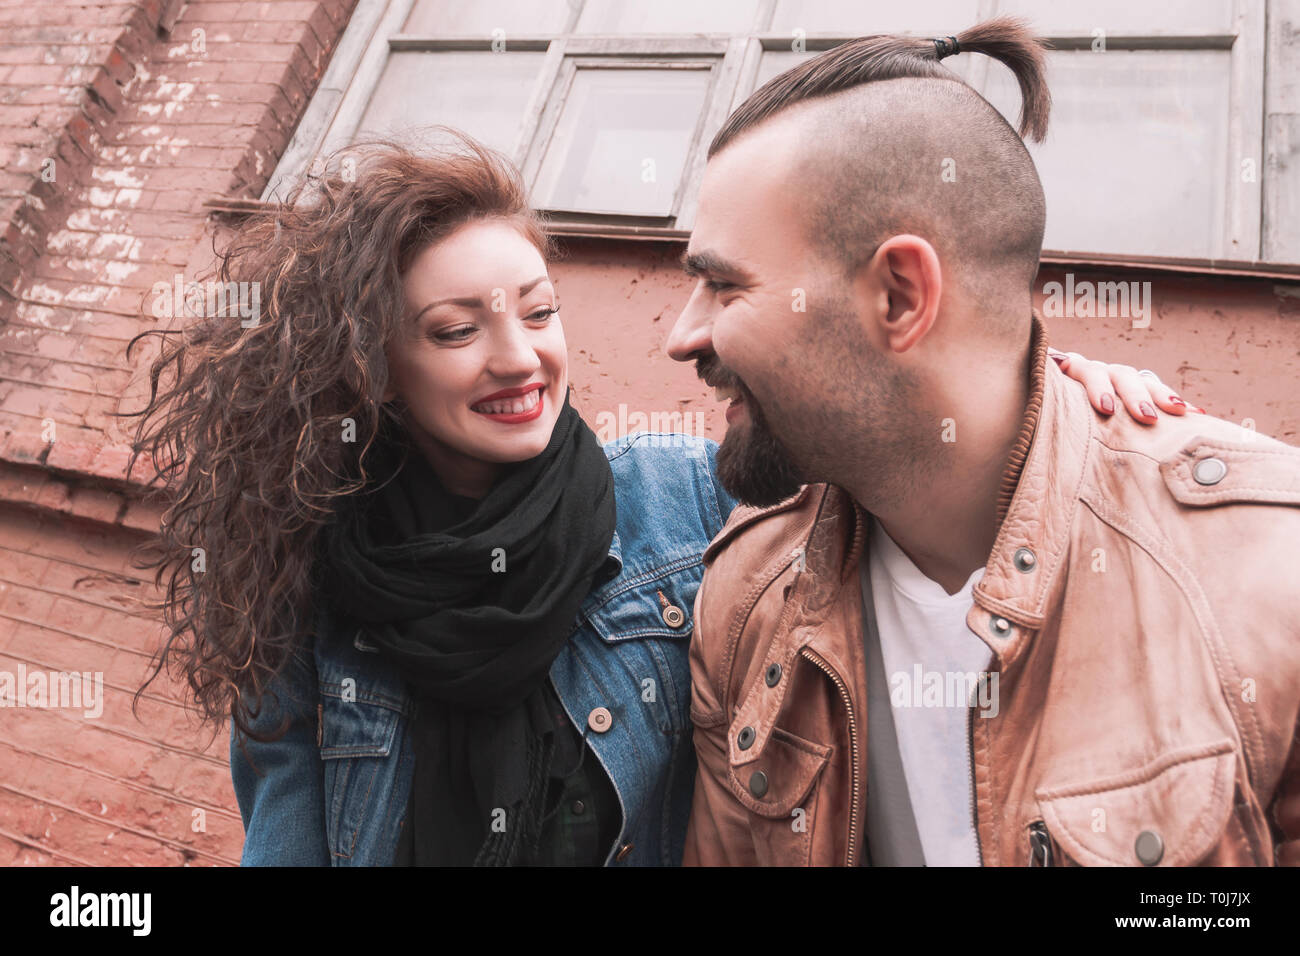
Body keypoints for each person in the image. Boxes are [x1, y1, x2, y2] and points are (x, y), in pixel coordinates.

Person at [126, 129, 1183, 867]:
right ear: (374, 373)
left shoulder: (682, 502)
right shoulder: (306, 594)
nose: (518, 357)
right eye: (455, 330)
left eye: (538, 311)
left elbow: (903, 470)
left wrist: (1026, 392)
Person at [667, 17, 1300, 866]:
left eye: (721, 285)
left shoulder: (1263, 578)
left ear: (900, 296)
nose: (681, 337)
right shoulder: (744, 595)